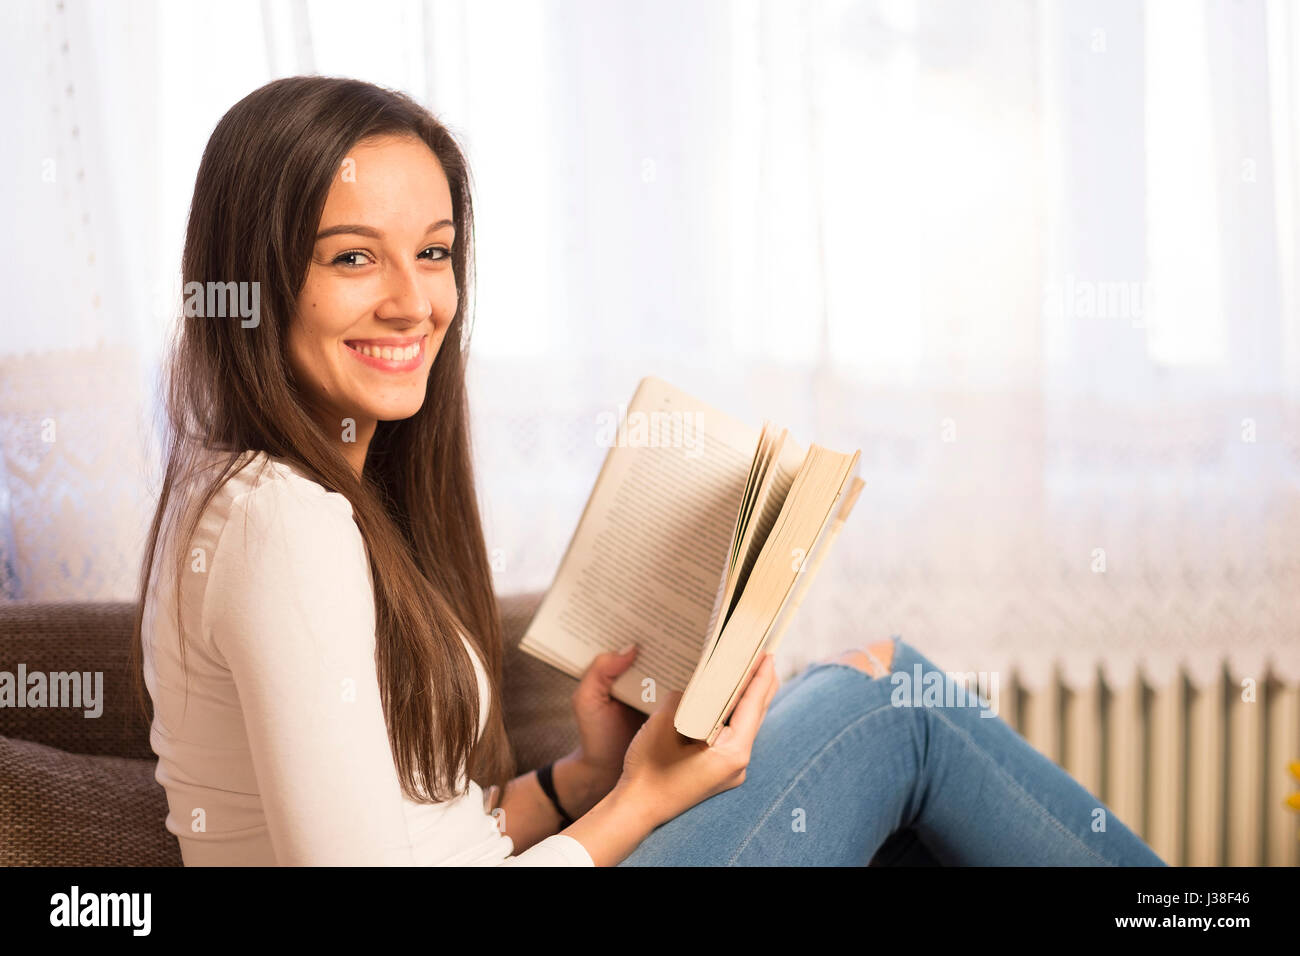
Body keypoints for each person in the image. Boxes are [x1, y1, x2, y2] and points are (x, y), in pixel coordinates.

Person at [133, 76, 1166, 867]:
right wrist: (641, 801)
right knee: (882, 698)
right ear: (258, 280)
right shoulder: (279, 523)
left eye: (436, 252)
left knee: (856, 700)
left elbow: (414, 835)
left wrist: (587, 775)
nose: (415, 302)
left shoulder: (282, 498)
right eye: (353, 257)